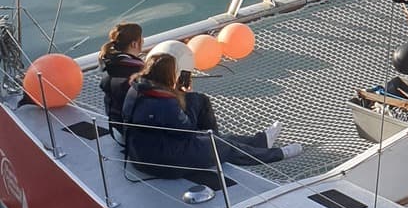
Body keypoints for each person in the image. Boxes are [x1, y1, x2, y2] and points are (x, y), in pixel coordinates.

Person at [122, 54, 298, 186]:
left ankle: (261, 141)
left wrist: (182, 96)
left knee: (208, 120)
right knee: (221, 145)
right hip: (163, 161)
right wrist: (182, 96)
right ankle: (275, 155)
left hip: (143, 152)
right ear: (167, 75)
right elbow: (188, 130)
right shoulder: (165, 103)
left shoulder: (137, 89)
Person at [99, 21, 146, 135]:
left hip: (116, 127)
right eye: (141, 38)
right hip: (136, 133)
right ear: (134, 44)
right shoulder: (138, 71)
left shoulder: (109, 64)